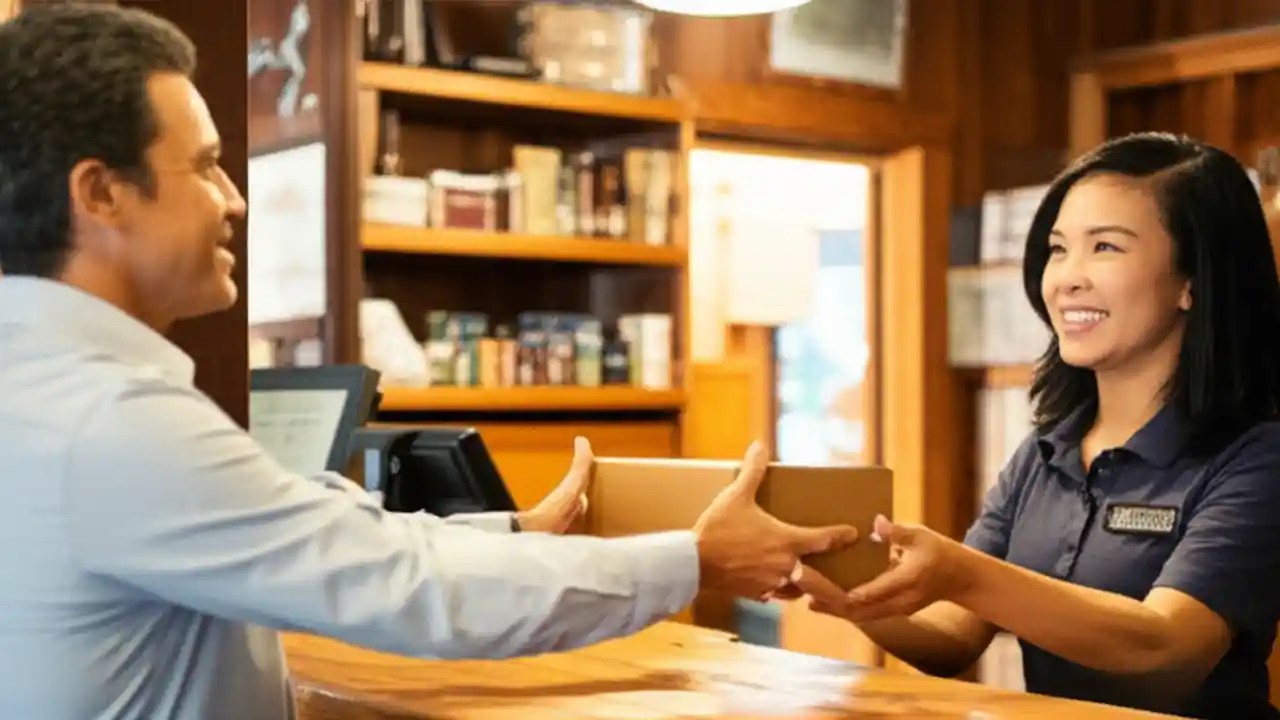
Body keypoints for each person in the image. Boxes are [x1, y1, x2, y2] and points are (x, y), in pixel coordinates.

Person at [0, 5, 859, 720]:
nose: (236, 198)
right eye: (208, 166)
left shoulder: (46, 387)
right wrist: (693, 561)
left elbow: (321, 536)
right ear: (100, 192)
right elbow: (406, 587)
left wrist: (514, 534)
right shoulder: (110, 421)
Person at [792, 132, 1280, 719]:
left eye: (1105, 247)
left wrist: (962, 572)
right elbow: (954, 635)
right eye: (1057, 249)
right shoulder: (1046, 452)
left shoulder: (1257, 457)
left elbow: (1165, 647)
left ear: (1191, 281)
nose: (1067, 278)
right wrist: (852, 592)